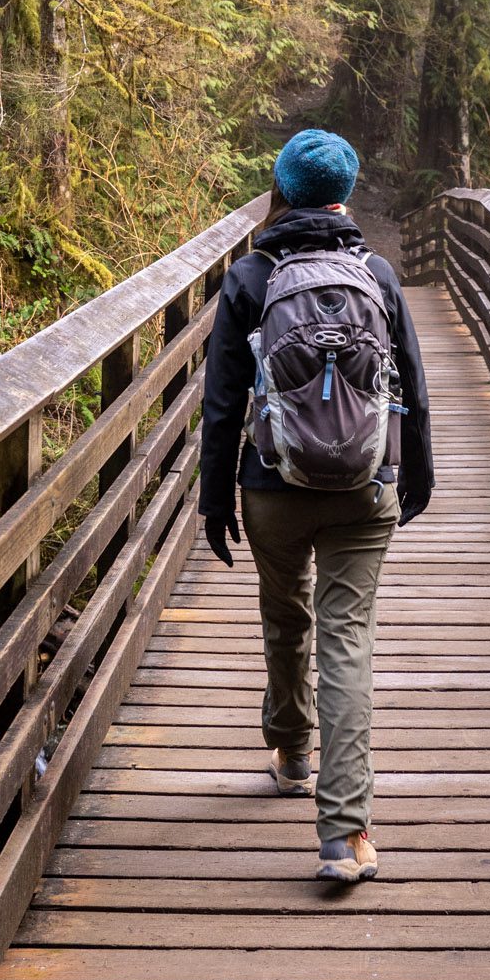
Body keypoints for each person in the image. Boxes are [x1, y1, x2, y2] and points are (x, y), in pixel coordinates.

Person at [199, 129, 433, 883]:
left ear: (281, 188)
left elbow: (221, 402)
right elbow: (412, 386)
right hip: (366, 486)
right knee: (347, 641)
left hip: (272, 484)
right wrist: (416, 475)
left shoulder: (249, 276)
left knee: (285, 615)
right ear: (345, 194)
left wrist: (213, 499)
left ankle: (292, 752)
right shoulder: (377, 273)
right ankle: (344, 834)